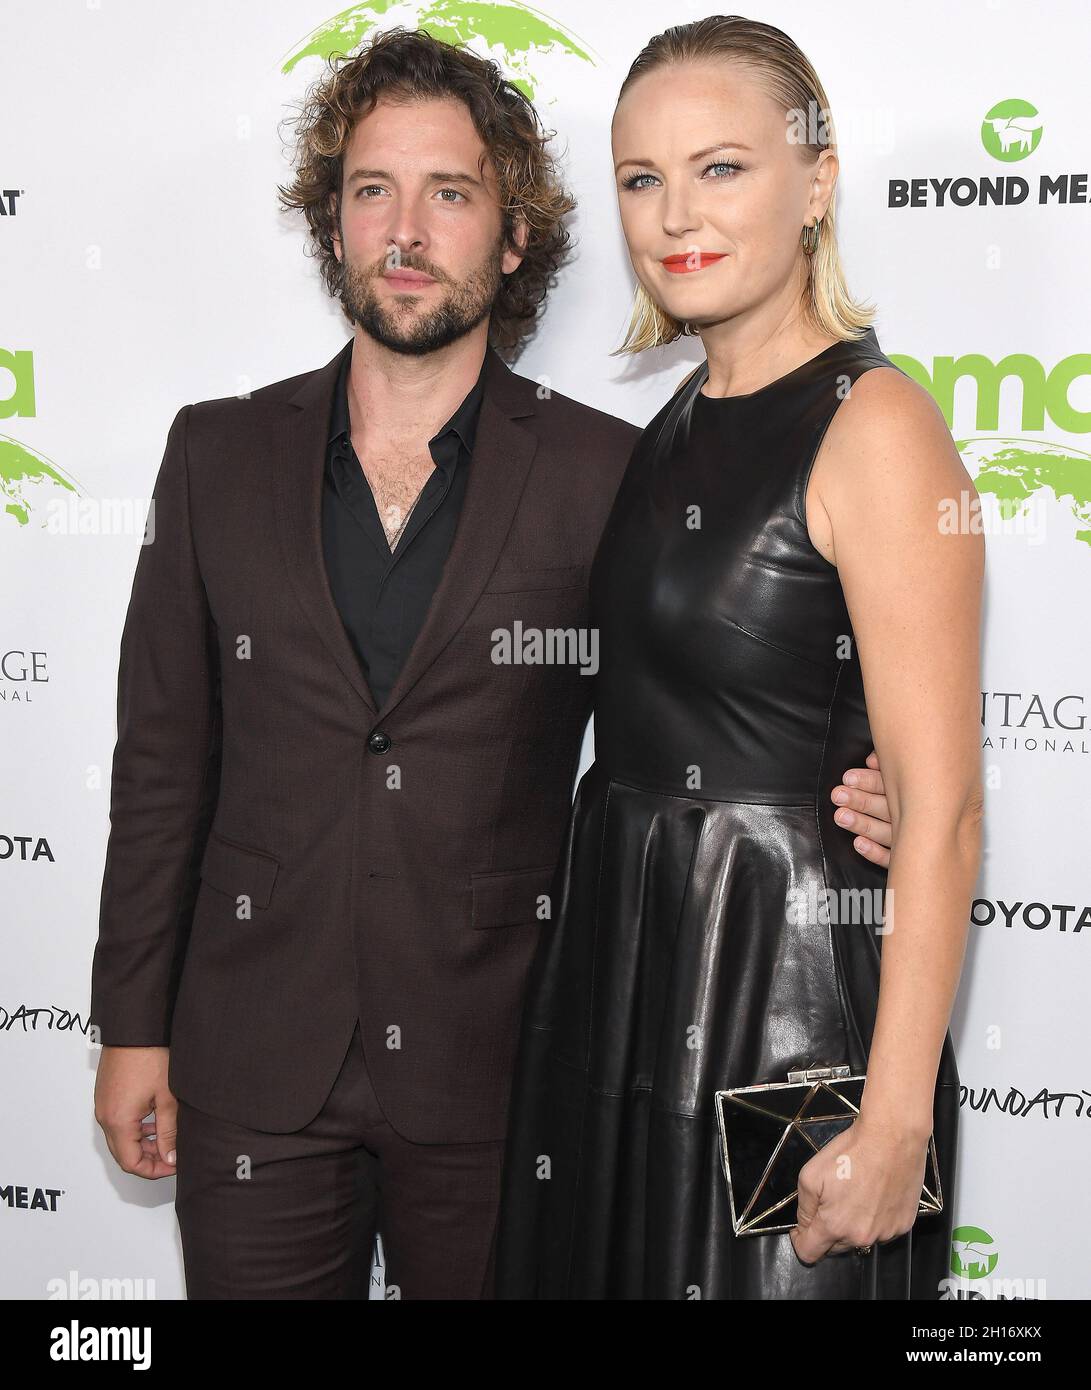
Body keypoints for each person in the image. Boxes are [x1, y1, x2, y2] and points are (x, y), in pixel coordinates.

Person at [90, 27, 896, 1300]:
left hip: (500, 1072)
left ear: (511, 236)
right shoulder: (213, 457)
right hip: (250, 1065)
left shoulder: (605, 473)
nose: (405, 229)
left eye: (449, 194)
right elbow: (162, 768)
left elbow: (709, 688)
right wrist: (132, 1024)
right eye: (372, 191)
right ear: (333, 226)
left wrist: (868, 784)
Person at [495, 16, 983, 1300]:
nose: (672, 214)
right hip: (639, 976)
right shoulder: (672, 420)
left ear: (814, 183)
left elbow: (937, 817)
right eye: (640, 179)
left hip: (793, 1008)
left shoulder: (874, 428)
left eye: (720, 168)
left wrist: (887, 1125)